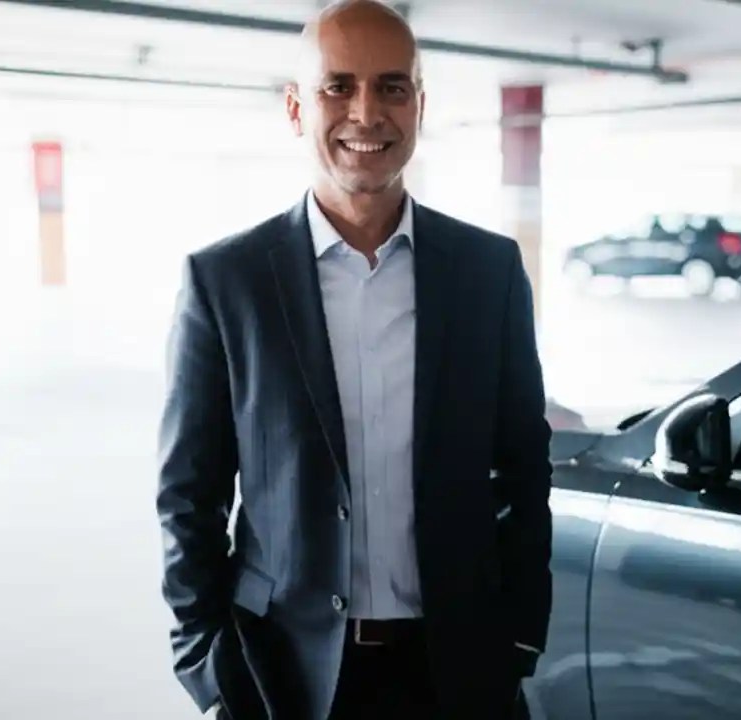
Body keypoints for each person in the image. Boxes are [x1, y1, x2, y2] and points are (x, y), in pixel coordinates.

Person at [156, 1, 552, 717]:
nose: (366, 113)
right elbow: (189, 494)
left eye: (391, 87)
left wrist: (521, 636)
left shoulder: (487, 272)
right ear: (295, 107)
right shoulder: (227, 282)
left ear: (419, 106)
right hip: (285, 676)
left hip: (459, 670)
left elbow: (524, 464)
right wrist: (206, 667)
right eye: (337, 86)